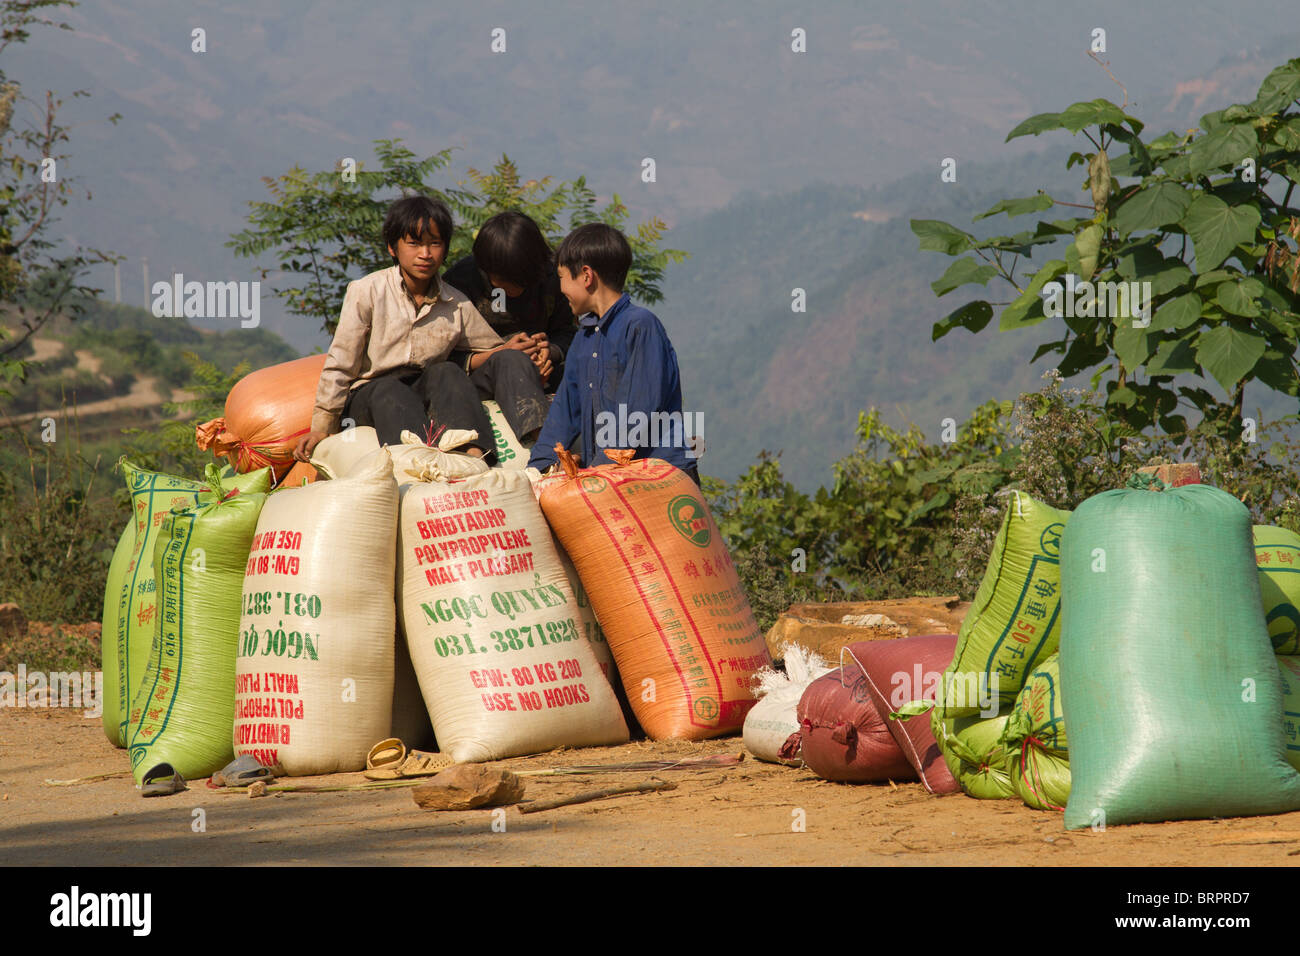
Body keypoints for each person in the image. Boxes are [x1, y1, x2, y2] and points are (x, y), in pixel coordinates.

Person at [292, 196, 550, 464]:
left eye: (434, 244)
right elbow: (340, 365)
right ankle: (419, 464)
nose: (425, 254)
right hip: (372, 395)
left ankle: (475, 456)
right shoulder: (366, 291)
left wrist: (526, 350)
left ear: (445, 249)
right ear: (393, 248)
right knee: (389, 389)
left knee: (448, 371)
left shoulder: (455, 302)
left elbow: (491, 350)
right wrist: (322, 428)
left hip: (424, 388)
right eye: (414, 244)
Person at [527, 223, 699, 483]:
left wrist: (598, 469)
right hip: (610, 475)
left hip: (658, 475)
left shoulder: (640, 325)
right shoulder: (583, 338)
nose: (560, 288)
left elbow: (639, 409)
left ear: (586, 276)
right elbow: (565, 410)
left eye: (562, 276)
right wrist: (538, 468)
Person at [442, 211, 577, 393]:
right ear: (486, 269)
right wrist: (502, 355)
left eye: (523, 282)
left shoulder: (552, 276)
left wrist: (549, 351)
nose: (514, 290)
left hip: (543, 375)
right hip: (480, 380)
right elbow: (441, 356)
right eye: (505, 283)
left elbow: (567, 332)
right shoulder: (460, 283)